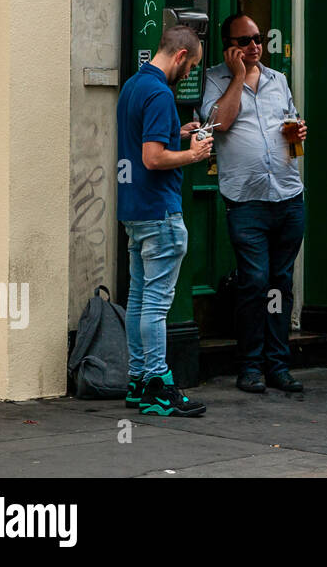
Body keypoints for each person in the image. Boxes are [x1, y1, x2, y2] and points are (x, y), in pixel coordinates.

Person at [202, 13, 308, 395]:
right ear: (228, 45)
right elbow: (220, 125)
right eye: (244, 41)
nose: (254, 47)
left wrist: (298, 135)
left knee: (280, 284)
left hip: (287, 195)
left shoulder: (278, 80)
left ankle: (278, 364)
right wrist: (236, 78)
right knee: (254, 282)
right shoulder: (214, 79)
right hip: (245, 200)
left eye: (258, 39)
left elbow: (292, 138)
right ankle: (250, 366)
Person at [116, 24, 211, 417]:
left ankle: (139, 381)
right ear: (181, 56)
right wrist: (193, 154)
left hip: (135, 209)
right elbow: (153, 158)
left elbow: (145, 141)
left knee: (139, 299)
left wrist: (178, 131)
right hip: (160, 211)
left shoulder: (134, 86)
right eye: (191, 67)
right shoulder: (159, 93)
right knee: (156, 304)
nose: (189, 75)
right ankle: (158, 383)